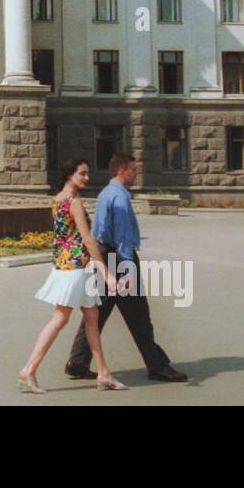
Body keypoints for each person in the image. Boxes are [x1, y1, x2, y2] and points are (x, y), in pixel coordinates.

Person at [64, 151, 188, 383]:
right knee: (139, 317)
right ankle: (157, 366)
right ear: (123, 171)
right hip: (120, 260)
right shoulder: (119, 199)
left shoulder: (105, 193)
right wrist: (129, 268)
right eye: (133, 169)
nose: (136, 173)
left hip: (104, 257)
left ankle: (77, 363)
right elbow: (122, 239)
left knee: (97, 314)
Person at [18, 158, 127, 393]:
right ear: (70, 174)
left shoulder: (57, 199)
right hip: (77, 266)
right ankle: (29, 368)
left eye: (87, 173)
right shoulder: (74, 201)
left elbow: (62, 236)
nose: (87, 177)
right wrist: (107, 274)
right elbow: (87, 239)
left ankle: (103, 373)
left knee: (91, 316)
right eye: (82, 173)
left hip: (64, 263)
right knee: (60, 319)